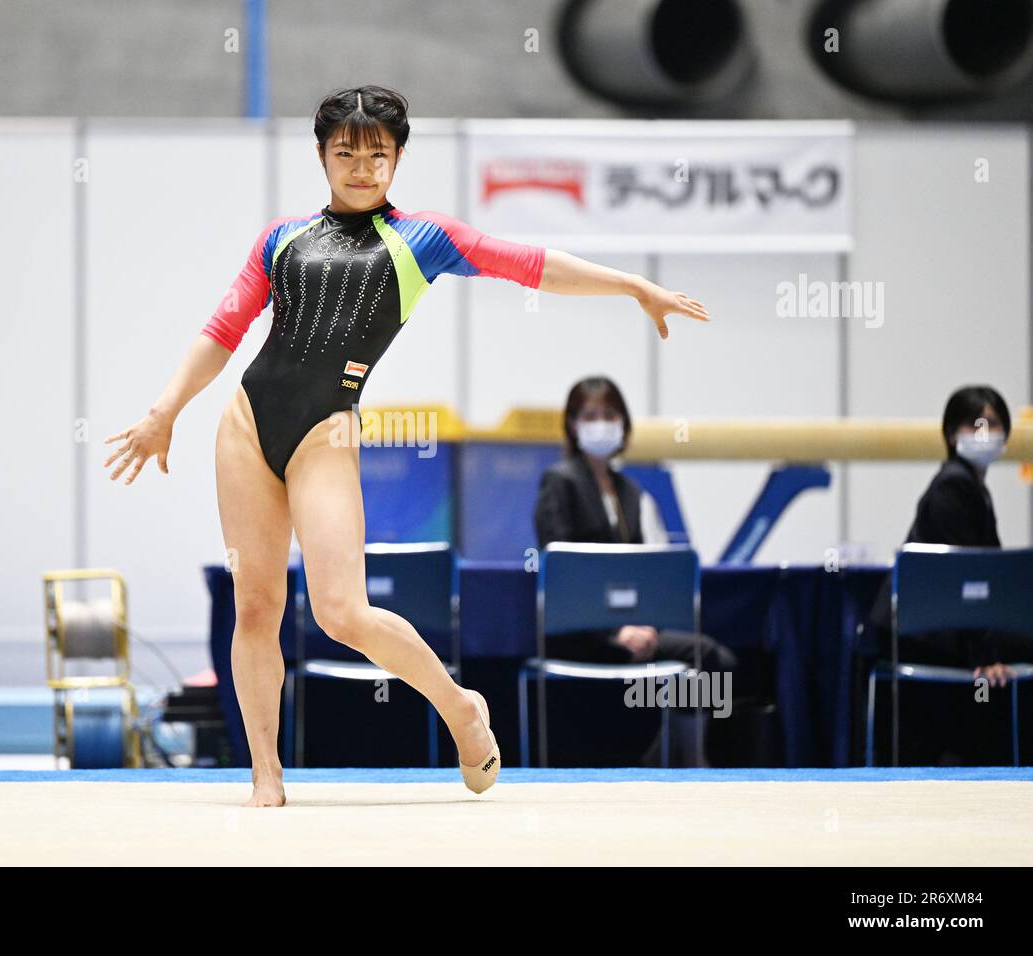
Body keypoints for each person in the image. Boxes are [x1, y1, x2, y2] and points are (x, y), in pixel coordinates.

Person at [102, 86, 710, 806]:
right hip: (245, 425)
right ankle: (266, 776)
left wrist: (632, 285)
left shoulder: (423, 238)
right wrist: (164, 411)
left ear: (397, 158)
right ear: (323, 156)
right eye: (345, 153)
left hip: (327, 434)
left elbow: (531, 264)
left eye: (377, 154)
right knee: (256, 607)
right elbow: (223, 330)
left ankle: (460, 707)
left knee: (340, 611)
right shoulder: (280, 239)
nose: (361, 167)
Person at [533, 376, 735, 766]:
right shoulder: (559, 483)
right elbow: (562, 573)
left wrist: (643, 625)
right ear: (573, 424)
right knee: (707, 656)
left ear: (624, 423)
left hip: (635, 627)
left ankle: (672, 755)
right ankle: (685, 762)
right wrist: (615, 630)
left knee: (715, 663)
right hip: (581, 634)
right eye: (591, 415)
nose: (601, 423)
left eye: (610, 414)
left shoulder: (631, 492)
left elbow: (650, 572)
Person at [867, 385, 1032, 763]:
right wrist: (985, 655)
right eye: (977, 424)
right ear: (951, 432)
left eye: (994, 425)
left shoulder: (972, 488)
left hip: (945, 629)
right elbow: (968, 584)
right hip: (929, 634)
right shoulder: (953, 488)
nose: (986, 434)